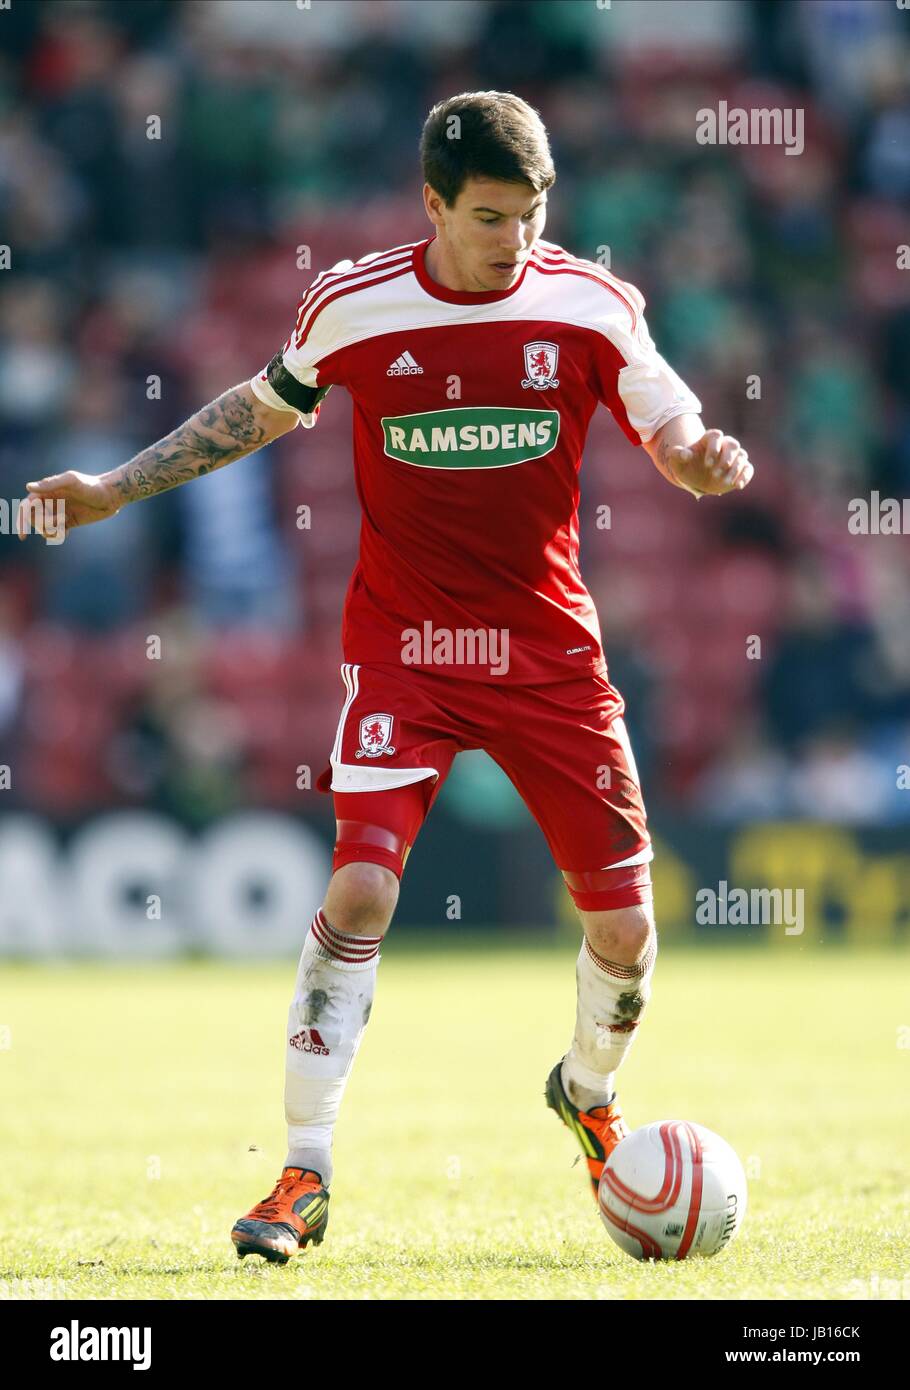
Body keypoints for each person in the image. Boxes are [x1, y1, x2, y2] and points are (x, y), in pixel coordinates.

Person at [20, 91, 753, 1264]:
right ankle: (302, 1170)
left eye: (532, 212)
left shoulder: (590, 305)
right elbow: (252, 415)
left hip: (549, 657)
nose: (515, 237)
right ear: (432, 203)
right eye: (489, 216)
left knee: (622, 929)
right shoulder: (356, 306)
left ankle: (584, 1086)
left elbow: (671, 422)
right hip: (404, 650)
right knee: (359, 896)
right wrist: (114, 485)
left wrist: (702, 458)